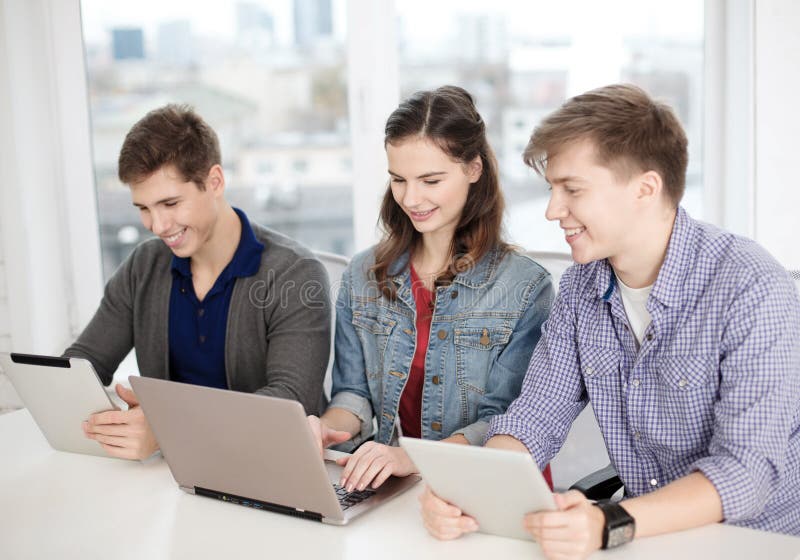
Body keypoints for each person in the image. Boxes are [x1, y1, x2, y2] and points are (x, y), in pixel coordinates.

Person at [420, 83, 800, 555]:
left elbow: (745, 474)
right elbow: (535, 417)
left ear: (645, 188)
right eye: (552, 189)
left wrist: (610, 522)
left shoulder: (752, 287)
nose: (553, 210)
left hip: (754, 542)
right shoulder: (581, 286)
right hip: (640, 536)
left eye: (572, 189)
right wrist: (471, 492)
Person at [307, 85, 554, 493]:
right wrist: (326, 429)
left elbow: (504, 422)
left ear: (473, 169)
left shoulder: (525, 288)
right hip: (404, 484)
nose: (411, 198)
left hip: (491, 486)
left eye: (430, 180)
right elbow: (353, 394)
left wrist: (414, 458)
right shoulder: (362, 274)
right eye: (398, 180)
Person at [66, 104, 331, 460]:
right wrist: (107, 418)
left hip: (266, 464)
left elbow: (289, 402)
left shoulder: (295, 273)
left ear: (215, 182)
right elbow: (83, 364)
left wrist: (167, 429)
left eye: (170, 203)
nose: (158, 226)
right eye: (143, 208)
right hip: (175, 469)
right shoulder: (144, 265)